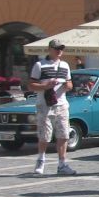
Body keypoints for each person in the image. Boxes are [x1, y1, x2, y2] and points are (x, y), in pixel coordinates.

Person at [28, 39, 76, 176]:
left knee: (64, 135)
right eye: (57, 48)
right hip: (44, 105)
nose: (59, 50)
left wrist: (68, 86)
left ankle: (62, 164)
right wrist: (45, 86)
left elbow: (70, 83)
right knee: (44, 135)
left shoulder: (65, 65)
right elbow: (30, 85)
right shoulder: (39, 65)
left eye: (61, 48)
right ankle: (41, 160)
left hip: (61, 105)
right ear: (49, 49)